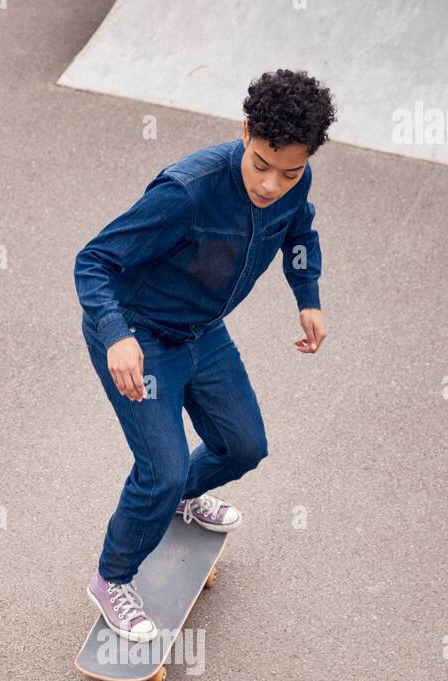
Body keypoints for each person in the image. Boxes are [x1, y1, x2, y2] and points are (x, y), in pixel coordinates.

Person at [74, 68, 336, 640]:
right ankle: (112, 578)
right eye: (262, 164)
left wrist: (307, 296)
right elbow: (94, 260)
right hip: (140, 336)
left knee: (244, 446)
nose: (271, 185)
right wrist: (117, 334)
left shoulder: (296, 180)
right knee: (160, 470)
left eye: (289, 172)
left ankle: (180, 498)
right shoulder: (187, 191)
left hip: (202, 331)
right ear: (246, 132)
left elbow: (300, 234)